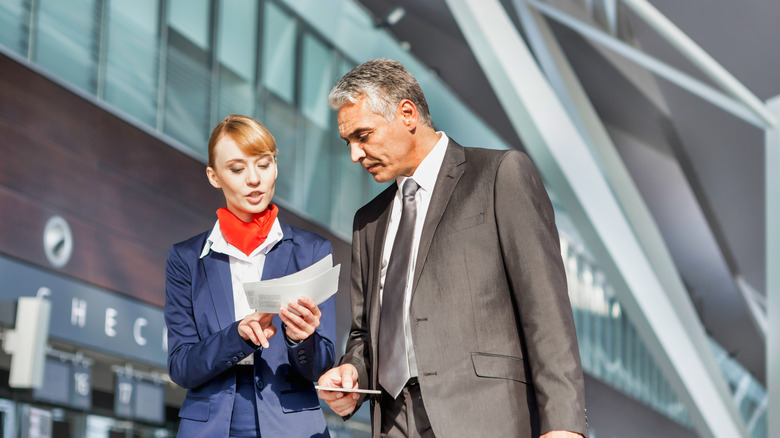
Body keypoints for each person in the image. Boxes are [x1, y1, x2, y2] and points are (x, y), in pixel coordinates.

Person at [317, 59, 587, 438]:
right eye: (349, 142)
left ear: (406, 113)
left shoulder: (499, 175)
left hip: (485, 417)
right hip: (392, 422)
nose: (355, 155)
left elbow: (546, 311)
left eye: (363, 135)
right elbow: (364, 333)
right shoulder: (369, 221)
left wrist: (563, 426)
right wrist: (353, 370)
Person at [165, 114, 336, 438]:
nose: (254, 179)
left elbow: (323, 363)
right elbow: (181, 366)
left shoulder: (312, 250)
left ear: (275, 166)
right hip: (212, 425)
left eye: (263, 163)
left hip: (293, 425)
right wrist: (238, 335)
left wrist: (301, 338)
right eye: (237, 168)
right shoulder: (186, 258)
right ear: (214, 176)